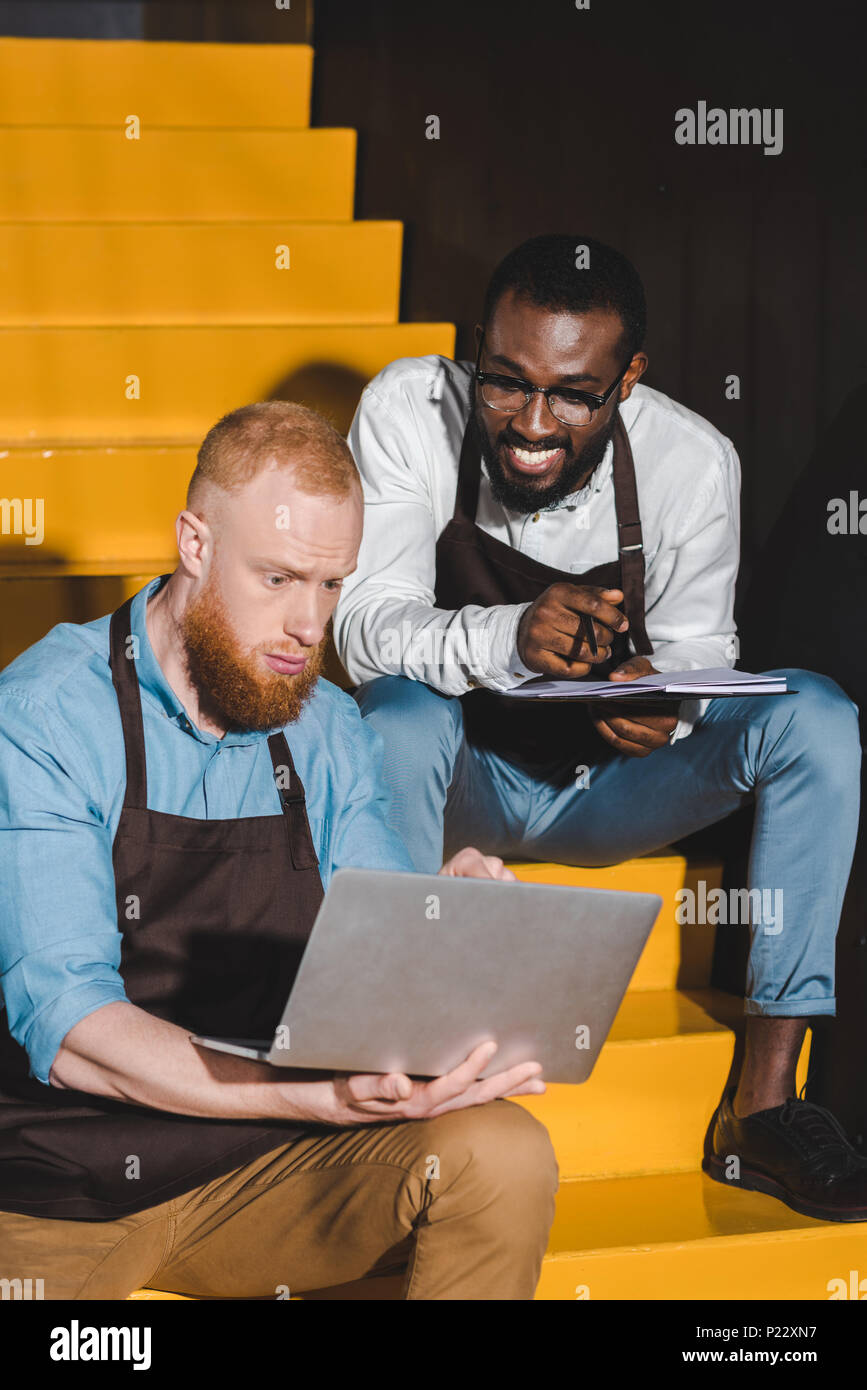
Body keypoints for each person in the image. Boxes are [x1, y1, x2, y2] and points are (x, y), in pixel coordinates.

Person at [334, 233, 867, 1223]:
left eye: (573, 393)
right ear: (473, 351)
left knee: (819, 718)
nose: (532, 423)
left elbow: (708, 648)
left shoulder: (693, 460)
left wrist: (667, 698)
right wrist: (512, 636)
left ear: (627, 380)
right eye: (506, 381)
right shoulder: (408, 409)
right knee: (395, 714)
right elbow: (364, 633)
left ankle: (765, 1104)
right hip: (457, 785)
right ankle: (395, 1082)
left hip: (607, 793)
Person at [0, 401, 558, 1301]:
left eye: (332, 585)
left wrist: (446, 931)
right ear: (194, 543)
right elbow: (70, 1035)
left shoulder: (330, 727)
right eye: (278, 578)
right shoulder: (45, 717)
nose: (309, 624)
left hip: (267, 1173)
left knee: (501, 1153)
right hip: (62, 1193)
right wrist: (302, 1096)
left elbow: (373, 953)